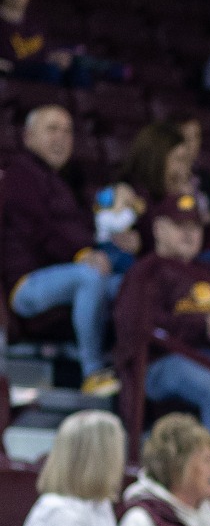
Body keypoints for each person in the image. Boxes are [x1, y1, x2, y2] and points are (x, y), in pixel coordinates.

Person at [112, 195, 210, 478]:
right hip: (160, 363)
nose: (189, 233)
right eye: (179, 225)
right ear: (158, 229)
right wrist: (203, 327)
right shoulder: (145, 272)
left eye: (195, 227)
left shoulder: (208, 270)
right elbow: (137, 326)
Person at [3, 106, 121, 395]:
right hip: (27, 284)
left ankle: (126, 367)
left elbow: (81, 231)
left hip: (65, 275)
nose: (61, 138)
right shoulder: (19, 175)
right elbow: (39, 230)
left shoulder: (64, 180)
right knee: (90, 277)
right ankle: (93, 372)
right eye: (52, 129)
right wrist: (83, 255)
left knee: (129, 283)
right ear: (28, 137)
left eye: (67, 131)